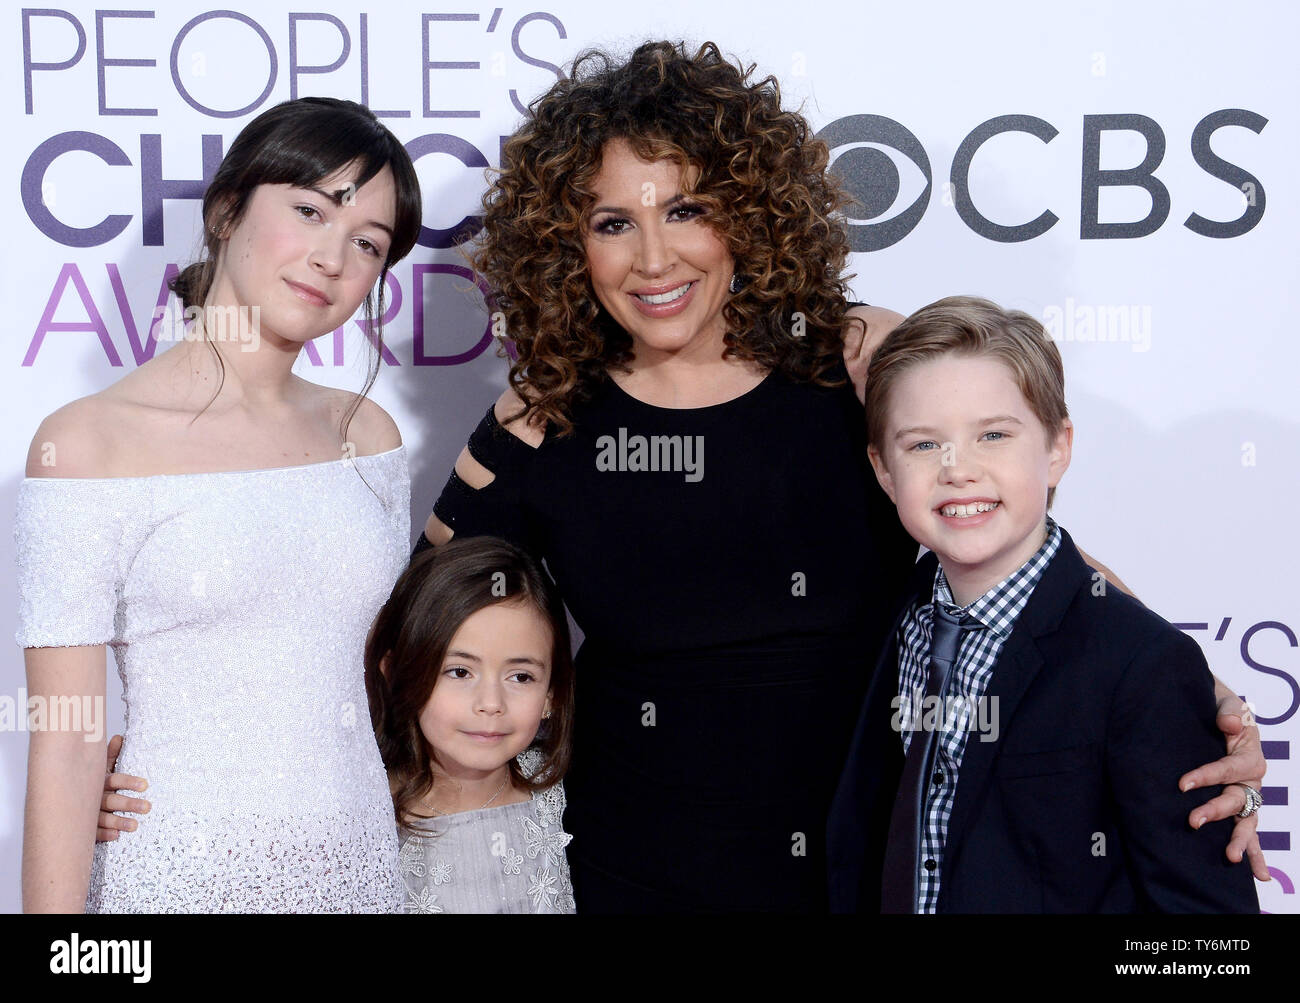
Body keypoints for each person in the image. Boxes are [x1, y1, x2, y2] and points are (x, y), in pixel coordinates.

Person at [404, 41, 1266, 912]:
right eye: (613, 222)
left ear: (747, 212)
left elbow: (1027, 559)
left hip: (868, 870)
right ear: (568, 244)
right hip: (632, 876)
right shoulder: (544, 413)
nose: (654, 259)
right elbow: (425, 627)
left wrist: (1191, 695)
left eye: (688, 209)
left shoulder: (855, 357)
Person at [17, 97, 422, 912]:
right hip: (174, 880)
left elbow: (383, 676)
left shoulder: (368, 434)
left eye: (367, 243)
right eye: (308, 210)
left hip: (362, 874)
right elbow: (65, 746)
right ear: (227, 209)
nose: (331, 257)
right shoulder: (88, 445)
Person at [827, 297, 1260, 913]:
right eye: (923, 445)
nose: (958, 470)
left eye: (994, 435)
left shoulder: (1138, 663)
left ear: (1057, 447)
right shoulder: (889, 622)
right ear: (884, 471)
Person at [364, 536, 577, 913]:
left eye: (521, 677)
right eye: (460, 671)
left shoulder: (568, 803)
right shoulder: (367, 817)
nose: (491, 704)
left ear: (551, 695)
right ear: (398, 672)